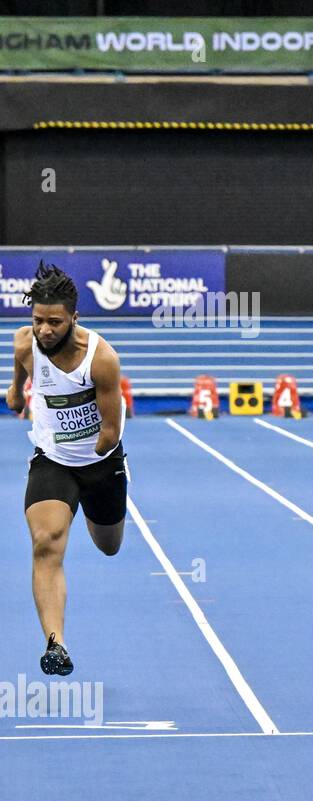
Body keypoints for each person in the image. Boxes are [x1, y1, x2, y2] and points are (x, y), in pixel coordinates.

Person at [6, 261, 127, 676]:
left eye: (55, 322)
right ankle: (55, 644)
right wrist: (20, 400)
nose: (45, 330)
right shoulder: (25, 344)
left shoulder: (102, 359)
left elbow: (110, 432)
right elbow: (15, 392)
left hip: (100, 461)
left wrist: (89, 447)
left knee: (108, 545)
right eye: (38, 320)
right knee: (46, 541)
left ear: (74, 318)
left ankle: (100, 512)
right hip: (52, 461)